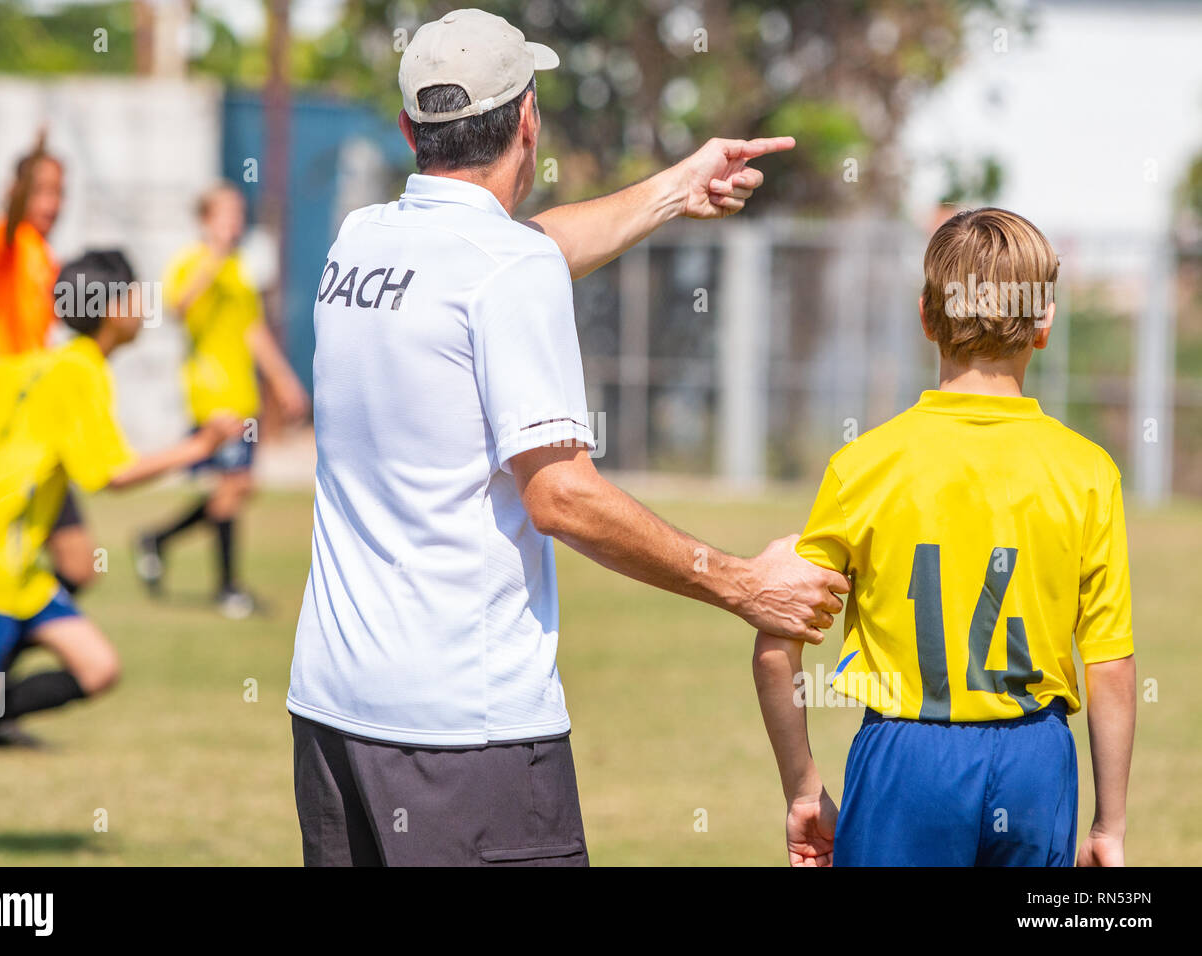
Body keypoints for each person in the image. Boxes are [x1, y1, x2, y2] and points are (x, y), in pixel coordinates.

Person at [287, 8, 847, 867]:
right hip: (466, 740)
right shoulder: (507, 271)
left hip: (332, 716)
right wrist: (742, 585)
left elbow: (515, 251)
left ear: (408, 130)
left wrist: (673, 188)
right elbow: (561, 496)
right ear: (526, 120)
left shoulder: (359, 242)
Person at [753, 208, 1136, 867]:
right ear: (1044, 323)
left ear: (926, 317)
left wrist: (802, 787)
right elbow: (1110, 666)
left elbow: (775, 643)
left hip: (908, 760)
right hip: (1036, 760)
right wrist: (1109, 825)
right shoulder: (1089, 472)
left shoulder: (863, 465)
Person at [0, 251, 241, 867]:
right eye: (136, 297)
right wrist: (199, 445)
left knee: (96, 668)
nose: (144, 307)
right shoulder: (79, 373)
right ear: (112, 312)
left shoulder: (56, 362)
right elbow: (110, 473)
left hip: (18, 565)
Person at [0, 134, 91, 749]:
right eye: (41, 189)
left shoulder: (43, 255)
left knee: (79, 564)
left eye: (59, 190)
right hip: (6, 436)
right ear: (16, 194)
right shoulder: (2, 244)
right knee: (67, 563)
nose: (52, 201)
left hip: (40, 433)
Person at [134, 183, 309, 619]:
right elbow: (179, 306)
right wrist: (213, 256)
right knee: (232, 485)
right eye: (225, 214)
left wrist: (284, 381)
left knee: (240, 486)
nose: (234, 221)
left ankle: (157, 539)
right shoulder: (193, 262)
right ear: (205, 220)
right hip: (211, 395)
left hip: (242, 394)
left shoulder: (239, 269)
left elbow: (253, 332)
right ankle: (228, 589)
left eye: (237, 213)